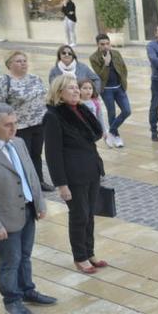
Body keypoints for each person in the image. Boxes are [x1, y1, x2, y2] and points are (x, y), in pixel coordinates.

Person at [0, 103, 56, 314]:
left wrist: (39, 203)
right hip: (4, 218)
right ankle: (12, 300)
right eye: (7, 125)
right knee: (11, 260)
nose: (14, 129)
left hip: (27, 210)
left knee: (25, 256)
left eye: (15, 123)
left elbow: (30, 173)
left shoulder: (18, 143)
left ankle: (27, 290)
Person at [43, 75, 108, 275]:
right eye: (70, 88)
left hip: (91, 170)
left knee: (89, 214)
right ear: (59, 92)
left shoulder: (81, 110)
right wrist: (61, 184)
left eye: (76, 88)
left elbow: (95, 134)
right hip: (73, 174)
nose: (76, 91)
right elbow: (52, 154)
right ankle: (80, 257)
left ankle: (90, 252)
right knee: (79, 215)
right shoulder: (53, 116)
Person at [0, 52, 55, 191]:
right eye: (19, 61)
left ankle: (39, 182)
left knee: (36, 155)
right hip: (18, 127)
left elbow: (44, 97)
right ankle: (25, 185)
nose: (23, 63)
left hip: (38, 124)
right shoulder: (4, 81)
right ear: (9, 64)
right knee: (22, 157)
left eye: (24, 60)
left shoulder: (35, 78)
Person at [89, 33, 130, 149]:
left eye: (107, 44)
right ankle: (116, 136)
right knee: (111, 113)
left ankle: (110, 132)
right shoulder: (94, 58)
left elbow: (124, 69)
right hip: (106, 90)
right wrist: (106, 64)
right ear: (98, 45)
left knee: (127, 111)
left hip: (119, 88)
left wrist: (123, 82)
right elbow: (100, 76)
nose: (106, 46)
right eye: (102, 44)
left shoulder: (116, 53)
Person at [77, 78, 109, 145]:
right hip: (80, 131)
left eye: (90, 88)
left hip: (92, 130)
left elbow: (100, 117)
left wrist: (104, 131)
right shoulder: (76, 102)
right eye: (84, 88)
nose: (88, 90)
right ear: (78, 89)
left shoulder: (95, 102)